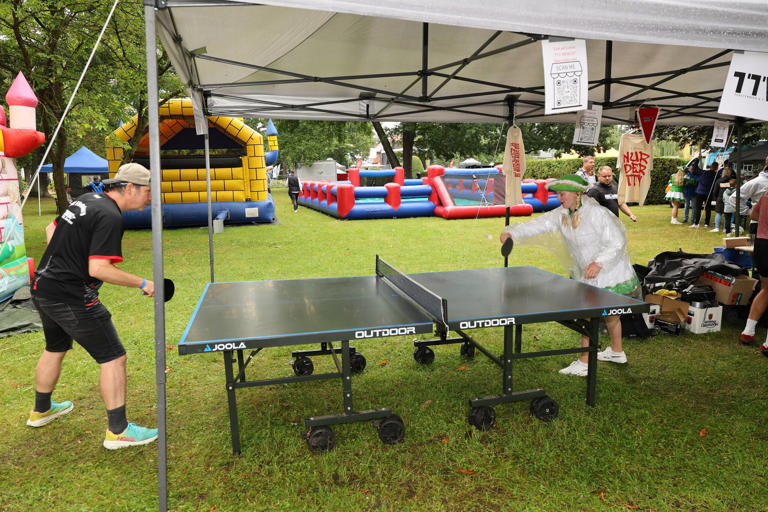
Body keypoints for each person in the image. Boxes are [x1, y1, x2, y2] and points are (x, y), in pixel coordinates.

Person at [28, 163, 159, 449]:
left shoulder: (87, 200)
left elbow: (51, 229)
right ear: (129, 188)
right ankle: (119, 431)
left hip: (43, 287)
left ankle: (41, 410)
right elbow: (100, 268)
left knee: (55, 347)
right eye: (148, 191)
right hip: (71, 296)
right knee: (113, 357)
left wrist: (68, 255)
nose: (151, 198)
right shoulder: (111, 215)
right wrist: (143, 283)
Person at [500, 174, 640, 376]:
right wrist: (512, 232)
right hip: (593, 272)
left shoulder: (596, 214)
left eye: (562, 194)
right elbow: (540, 224)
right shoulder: (563, 213)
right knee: (610, 315)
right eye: (558, 194)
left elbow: (617, 241)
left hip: (609, 272)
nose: (559, 198)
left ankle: (585, 362)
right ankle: (617, 352)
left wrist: (599, 263)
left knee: (589, 316)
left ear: (576, 193)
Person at [739, 191, 768, 357]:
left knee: (766, 289)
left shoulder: (765, 194)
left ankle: (748, 331)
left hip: (762, 244)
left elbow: (755, 215)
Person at [728, 155, 768, 236]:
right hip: (757, 225)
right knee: (753, 247)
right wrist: (750, 212)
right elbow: (734, 198)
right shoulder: (757, 182)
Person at [691, 161, 720, 228]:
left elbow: (695, 168)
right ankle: (706, 223)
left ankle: (696, 223)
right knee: (708, 209)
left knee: (698, 208)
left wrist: (697, 159)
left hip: (700, 192)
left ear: (710, 167)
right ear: (716, 168)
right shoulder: (716, 175)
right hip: (708, 193)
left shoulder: (704, 172)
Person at [711, 162, 733, 233]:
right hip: (729, 198)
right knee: (727, 214)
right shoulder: (732, 181)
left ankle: (717, 228)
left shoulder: (718, 180)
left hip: (720, 198)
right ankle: (725, 228)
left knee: (718, 213)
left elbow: (715, 191)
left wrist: (716, 197)